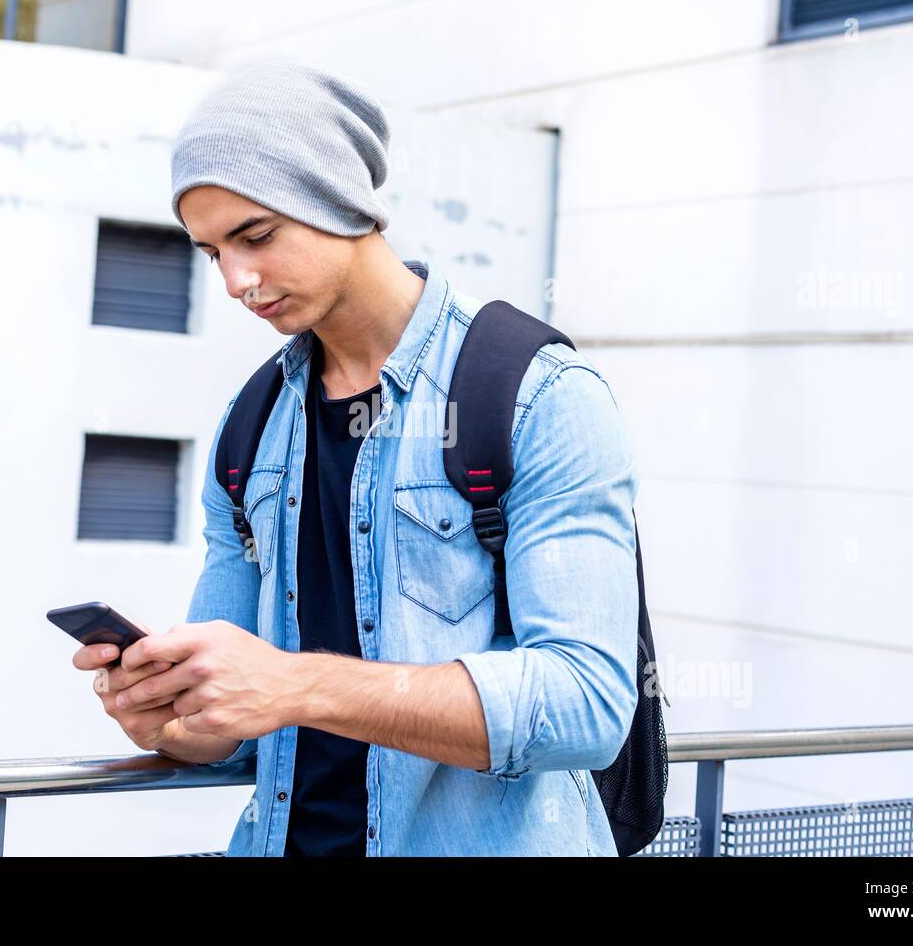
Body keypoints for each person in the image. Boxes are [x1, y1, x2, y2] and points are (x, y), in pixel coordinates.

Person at [72, 61, 641, 856]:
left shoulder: (536, 395)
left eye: (256, 235)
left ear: (339, 200)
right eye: (210, 252)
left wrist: (297, 683)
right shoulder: (253, 424)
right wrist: (168, 713)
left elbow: (587, 705)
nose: (236, 280)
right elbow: (231, 728)